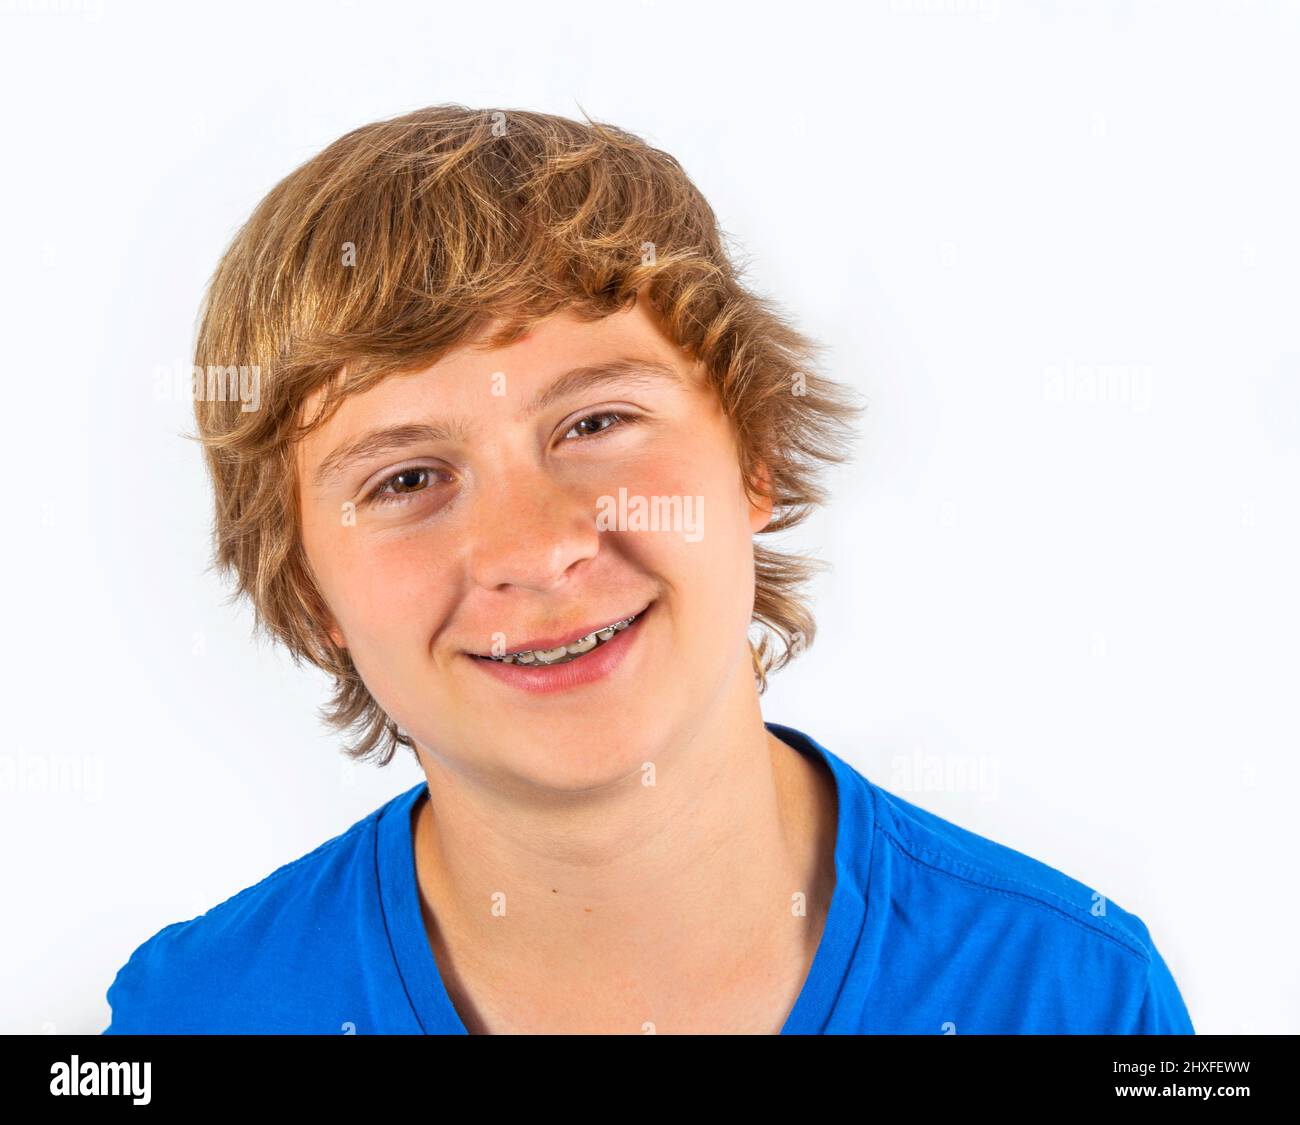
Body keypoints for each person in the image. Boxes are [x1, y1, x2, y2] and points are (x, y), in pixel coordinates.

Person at [103, 104, 1193, 1034]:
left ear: (754, 454)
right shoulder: (193, 1016)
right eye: (405, 480)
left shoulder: (1073, 994)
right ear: (308, 594)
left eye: (596, 420)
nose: (536, 547)